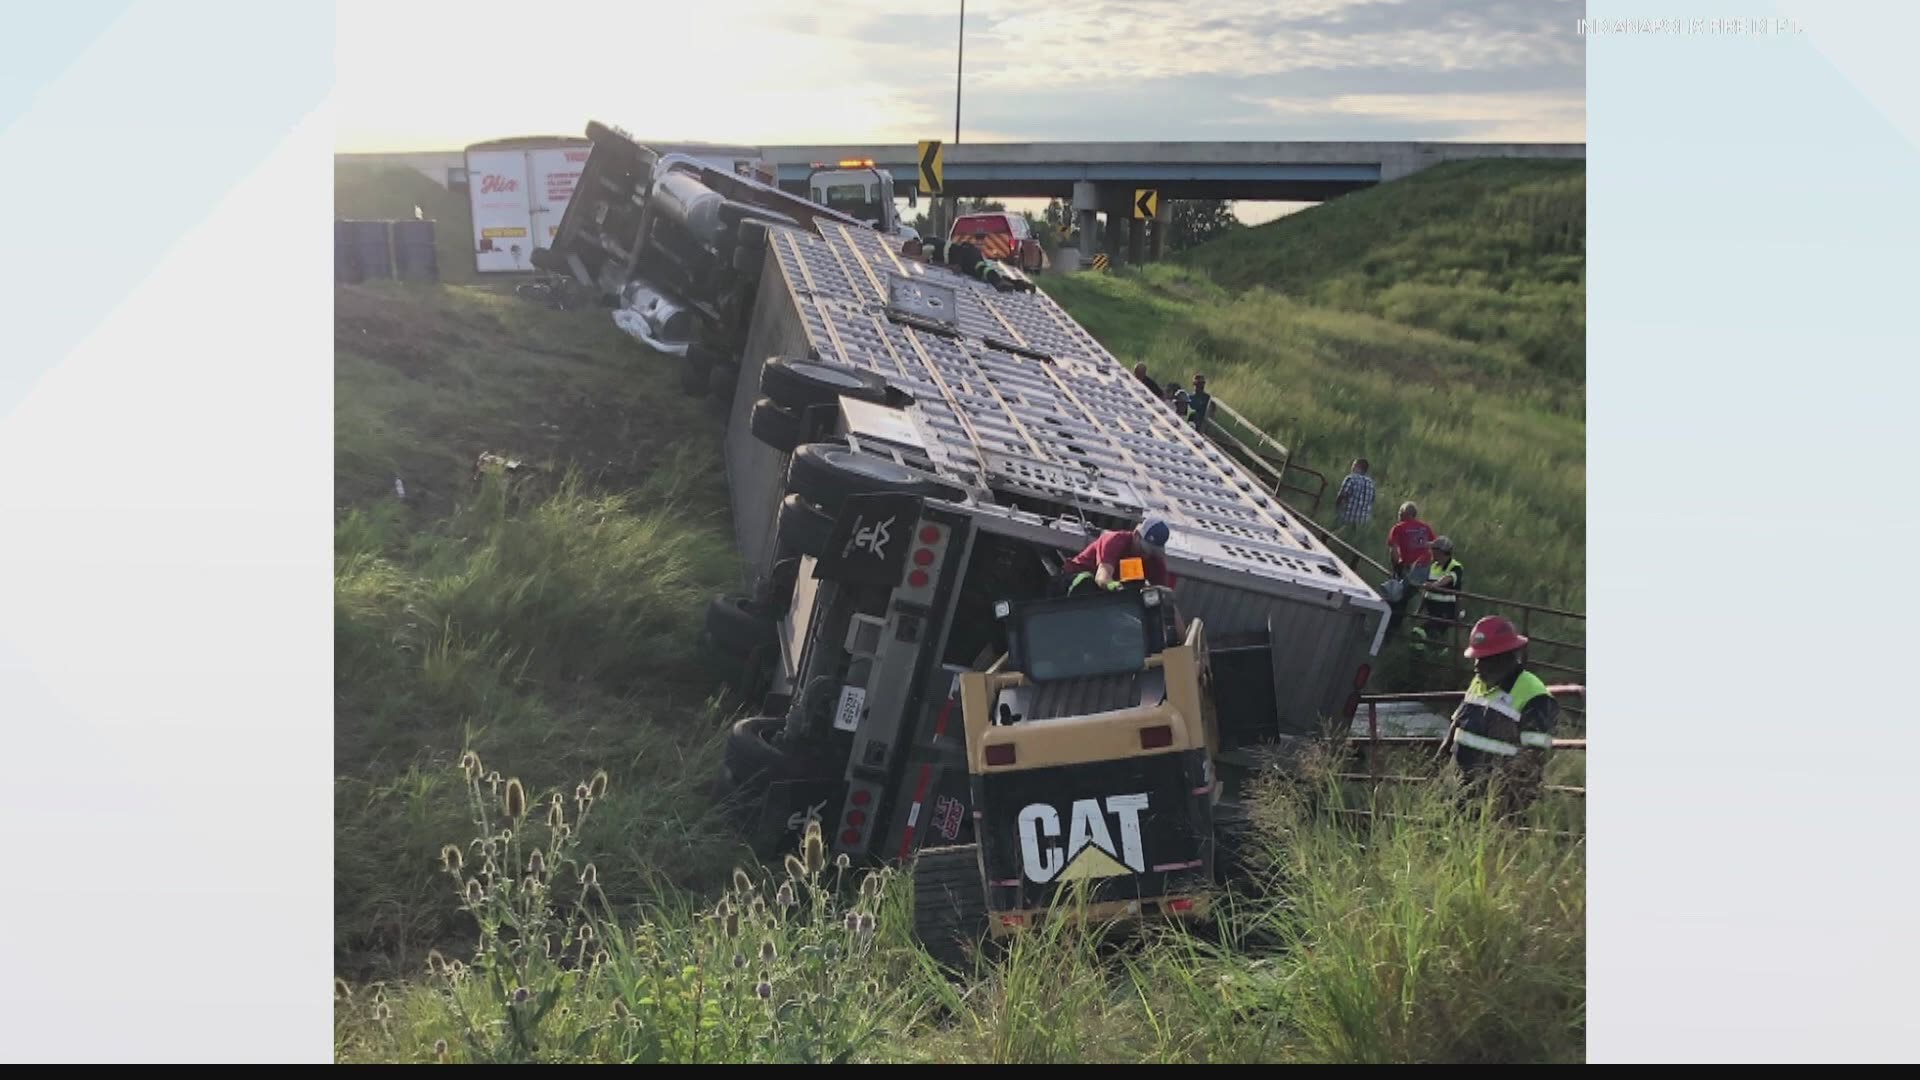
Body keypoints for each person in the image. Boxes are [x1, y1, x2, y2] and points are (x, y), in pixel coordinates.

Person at [1440, 616, 1559, 815]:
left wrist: (1500, 805)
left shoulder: (1535, 695)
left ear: (1505, 657)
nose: (1476, 666)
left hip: (1497, 805)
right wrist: (1439, 767)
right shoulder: (1480, 682)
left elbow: (1533, 760)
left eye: (1483, 658)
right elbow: (1456, 727)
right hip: (1459, 793)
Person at [1053, 518, 1176, 596]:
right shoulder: (1116, 540)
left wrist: (1183, 637)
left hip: (1103, 597)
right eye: (1146, 549)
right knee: (1086, 581)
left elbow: (1167, 601)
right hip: (1071, 583)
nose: (1147, 555)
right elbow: (1102, 578)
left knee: (1140, 592)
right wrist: (1118, 588)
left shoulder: (1154, 561)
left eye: (1152, 551)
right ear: (1137, 535)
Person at [1410, 536, 1463, 653]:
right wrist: (1419, 610)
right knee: (1424, 637)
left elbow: (1448, 578)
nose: (1431, 551)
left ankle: (1435, 653)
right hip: (1432, 612)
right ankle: (1432, 655)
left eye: (1433, 549)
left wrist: (1434, 585)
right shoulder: (1434, 566)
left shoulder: (1455, 567)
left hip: (1445, 612)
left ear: (1441, 552)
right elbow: (1427, 592)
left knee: (1419, 633)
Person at [1333, 458, 1375, 540]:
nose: (1352, 467)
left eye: (1353, 465)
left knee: (1334, 535)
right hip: (1363, 523)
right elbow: (1372, 500)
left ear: (1357, 467)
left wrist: (1336, 509)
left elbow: (1341, 496)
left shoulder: (1351, 478)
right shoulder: (1371, 483)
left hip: (1348, 518)